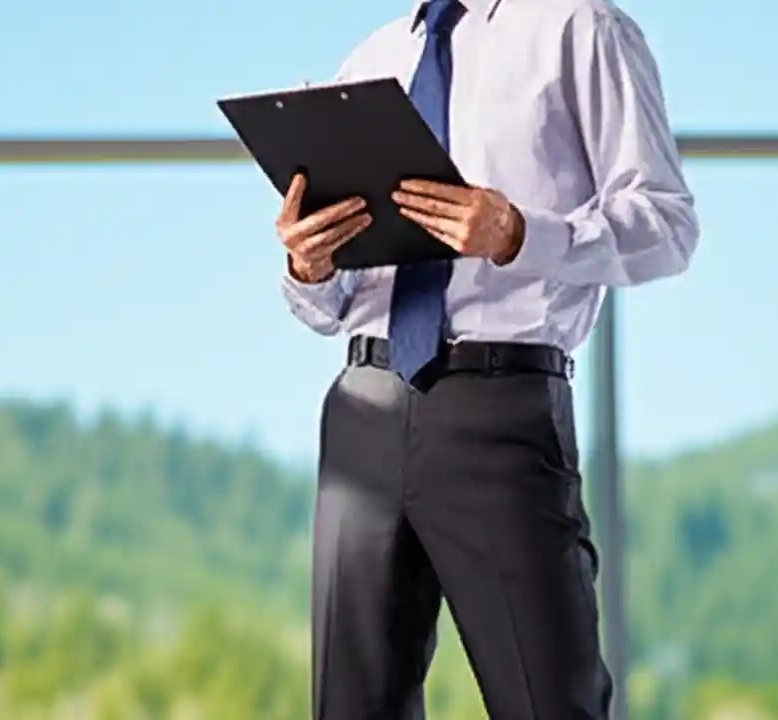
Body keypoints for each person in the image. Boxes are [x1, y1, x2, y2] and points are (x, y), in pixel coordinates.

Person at [275, 0, 698, 717]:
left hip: (499, 409)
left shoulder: (579, 27)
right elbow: (328, 305)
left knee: (547, 702)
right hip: (362, 409)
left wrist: (518, 234)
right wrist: (309, 267)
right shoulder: (372, 61)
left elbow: (667, 224)